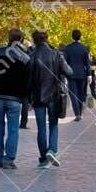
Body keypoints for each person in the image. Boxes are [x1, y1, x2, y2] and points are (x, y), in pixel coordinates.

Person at [0, 28, 30, 168]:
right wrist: (24, 96)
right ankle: (9, 159)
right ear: (21, 39)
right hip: (14, 98)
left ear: (9, 38)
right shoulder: (25, 57)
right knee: (13, 130)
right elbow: (27, 80)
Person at [28, 29, 68, 167]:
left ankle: (43, 158)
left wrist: (29, 98)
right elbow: (69, 71)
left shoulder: (31, 56)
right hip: (54, 95)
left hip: (37, 96)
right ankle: (52, 150)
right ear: (46, 38)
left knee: (41, 128)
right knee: (53, 124)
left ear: (34, 40)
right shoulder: (56, 54)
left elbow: (28, 80)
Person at [61, 29, 93, 121]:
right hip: (82, 74)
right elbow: (87, 63)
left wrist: (64, 74)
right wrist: (89, 75)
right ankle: (80, 112)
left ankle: (77, 114)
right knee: (81, 94)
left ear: (72, 36)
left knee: (73, 94)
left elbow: (64, 62)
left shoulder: (67, 48)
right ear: (80, 36)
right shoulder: (84, 48)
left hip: (71, 74)